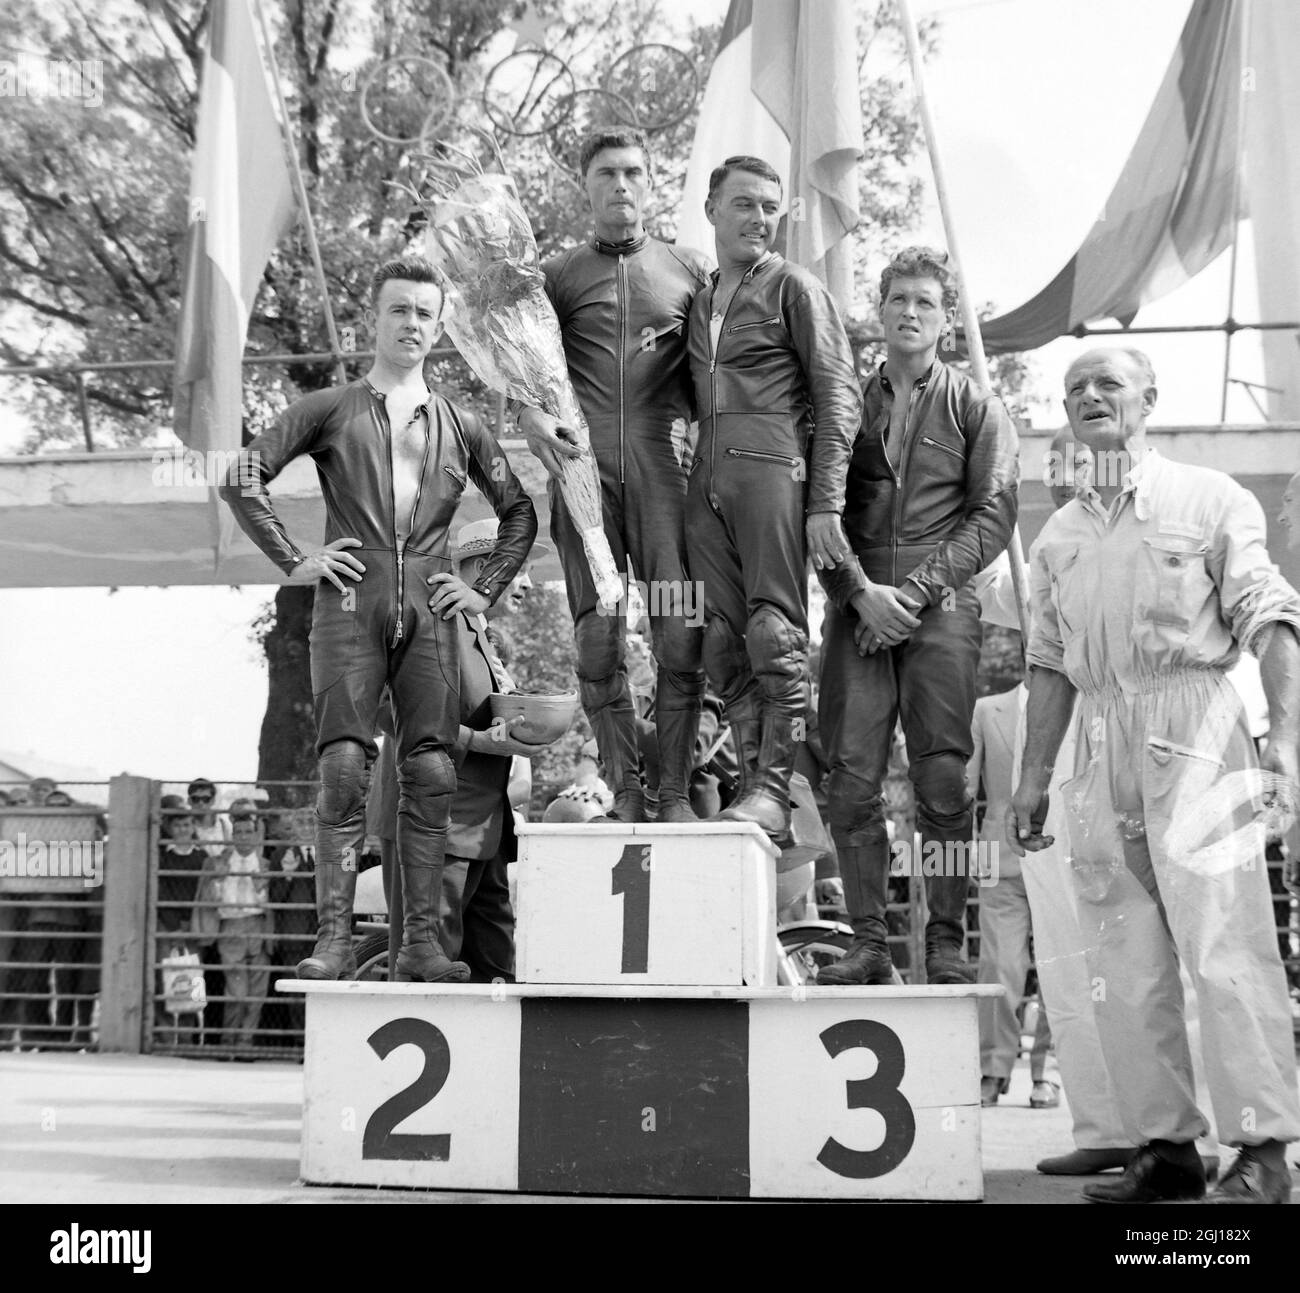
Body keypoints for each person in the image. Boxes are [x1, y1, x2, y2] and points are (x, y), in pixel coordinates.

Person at [1008, 346, 1300, 1205]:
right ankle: (1164, 1146)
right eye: (1075, 389)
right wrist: (1031, 776)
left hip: (1199, 727)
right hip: (1098, 740)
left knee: (1224, 941)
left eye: (1108, 383)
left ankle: (1264, 1148)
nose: (1089, 396)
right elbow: (1050, 664)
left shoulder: (1210, 498)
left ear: (1148, 399)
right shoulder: (1057, 536)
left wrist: (1284, 739)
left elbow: (1272, 619)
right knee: (1121, 951)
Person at [220, 256, 537, 983]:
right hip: (350, 596)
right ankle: (333, 941)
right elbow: (242, 473)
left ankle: (420, 944)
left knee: (430, 768)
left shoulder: (460, 422)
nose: (412, 324)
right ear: (376, 316)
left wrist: (482, 588)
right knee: (341, 767)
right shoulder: (331, 406)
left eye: (425, 314)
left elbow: (520, 511)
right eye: (400, 309)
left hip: (432, 599)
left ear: (438, 326)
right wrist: (293, 557)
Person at [816, 246, 1019, 986]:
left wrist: (915, 594)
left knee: (943, 782)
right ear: (880, 308)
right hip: (855, 607)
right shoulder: (843, 403)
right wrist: (859, 592)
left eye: (926, 302)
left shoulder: (976, 405)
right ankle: (868, 942)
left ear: (947, 319)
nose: (909, 311)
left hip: (940, 611)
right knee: (850, 780)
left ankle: (944, 939)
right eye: (898, 298)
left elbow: (993, 515)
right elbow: (816, 511)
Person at [515, 129, 711, 825]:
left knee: (680, 634)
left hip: (667, 475)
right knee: (598, 633)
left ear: (652, 182)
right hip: (581, 476)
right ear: (586, 186)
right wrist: (529, 420)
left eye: (633, 171)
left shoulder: (691, 270)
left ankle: (679, 791)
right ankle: (625, 786)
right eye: (606, 173)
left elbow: (719, 377)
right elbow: (522, 368)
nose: (620, 184)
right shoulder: (557, 276)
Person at [686, 154, 860, 844]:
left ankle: (774, 787)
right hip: (706, 481)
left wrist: (824, 502)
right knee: (722, 644)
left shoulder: (794, 287)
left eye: (770, 206)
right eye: (745, 204)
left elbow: (837, 392)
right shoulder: (697, 299)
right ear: (712, 209)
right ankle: (755, 786)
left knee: (775, 633)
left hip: (773, 471)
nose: (760, 218)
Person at [369, 519, 550, 982]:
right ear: (479, 567)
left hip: (484, 820)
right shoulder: (431, 621)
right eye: (519, 569)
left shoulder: (483, 632)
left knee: (491, 962)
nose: (528, 583)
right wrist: (477, 740)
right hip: (434, 817)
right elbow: (385, 710)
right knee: (429, 957)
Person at [967, 680, 1059, 1109]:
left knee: (1061, 972)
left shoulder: (1077, 703)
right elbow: (965, 789)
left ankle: (1048, 1073)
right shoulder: (987, 709)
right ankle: (993, 1067)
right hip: (997, 858)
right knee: (1000, 966)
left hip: (1063, 858)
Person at [195, 805, 270, 1053]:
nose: (244, 836)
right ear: (233, 834)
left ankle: (245, 1042)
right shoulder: (217, 862)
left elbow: (273, 901)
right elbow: (207, 898)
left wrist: (262, 891)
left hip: (259, 927)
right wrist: (217, 882)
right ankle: (229, 1041)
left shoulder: (266, 864)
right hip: (231, 927)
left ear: (256, 835)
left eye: (249, 831)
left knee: (257, 992)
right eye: (239, 832)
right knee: (236, 990)